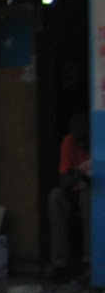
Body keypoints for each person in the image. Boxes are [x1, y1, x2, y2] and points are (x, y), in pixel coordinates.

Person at [47, 112, 91, 282]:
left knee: (87, 197)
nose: (81, 143)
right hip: (74, 192)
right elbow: (63, 180)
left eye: (84, 139)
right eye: (78, 138)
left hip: (94, 194)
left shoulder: (98, 141)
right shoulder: (69, 142)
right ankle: (60, 263)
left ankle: (90, 260)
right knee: (55, 197)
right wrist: (79, 174)